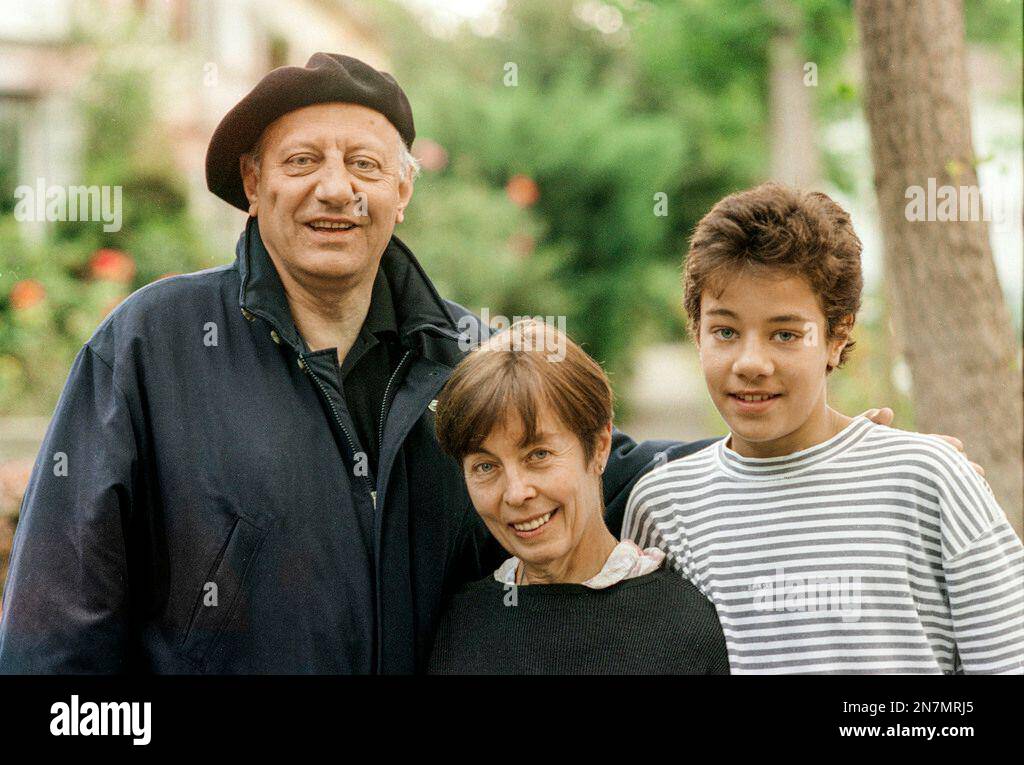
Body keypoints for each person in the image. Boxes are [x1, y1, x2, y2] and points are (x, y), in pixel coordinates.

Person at [0, 53, 715, 674]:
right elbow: (57, 618)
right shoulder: (150, 347)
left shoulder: (470, 357)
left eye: (364, 164)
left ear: (401, 191)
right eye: (303, 160)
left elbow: (598, 460)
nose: (336, 189)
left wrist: (792, 444)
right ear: (253, 183)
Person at [623, 183, 1024, 674]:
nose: (751, 363)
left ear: (837, 337)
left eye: (785, 334)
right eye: (725, 331)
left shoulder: (931, 480)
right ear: (696, 332)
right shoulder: (663, 507)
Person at [427, 320, 729, 674]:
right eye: (485, 466)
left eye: (538, 454)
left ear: (600, 446)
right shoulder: (460, 625)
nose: (516, 493)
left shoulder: (684, 628)